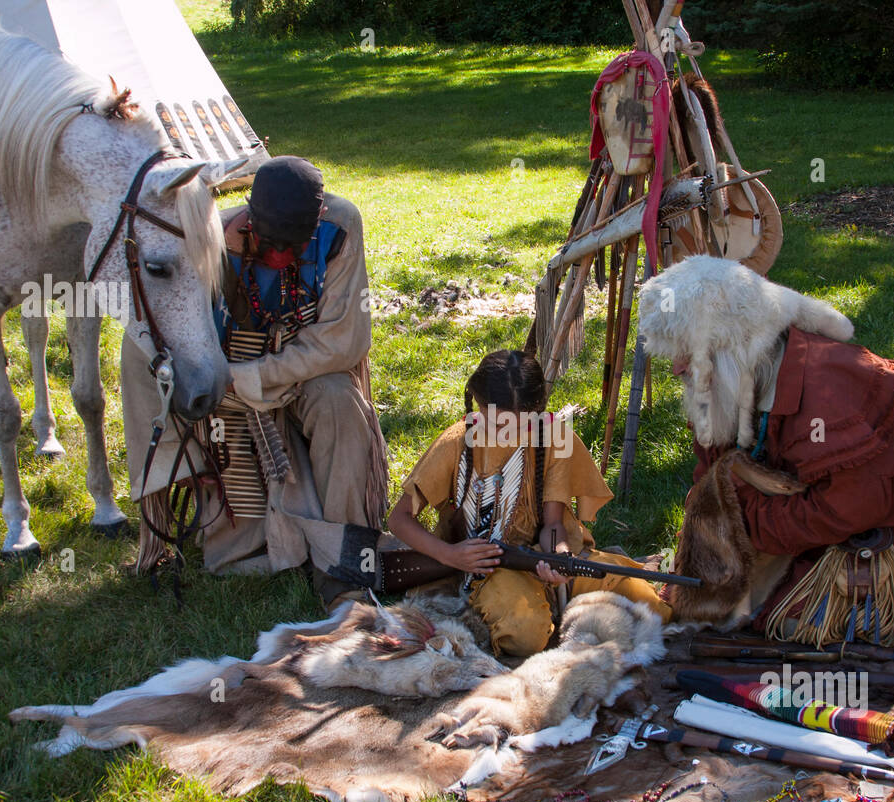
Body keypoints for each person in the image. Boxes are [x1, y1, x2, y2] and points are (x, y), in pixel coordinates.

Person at [638, 255, 894, 640]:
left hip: (871, 534)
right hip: (790, 527)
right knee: (706, 599)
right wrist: (719, 514)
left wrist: (742, 523)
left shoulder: (831, 393)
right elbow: (710, 469)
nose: (678, 368)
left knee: (793, 620)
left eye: (690, 353)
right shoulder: (733, 382)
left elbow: (848, 508)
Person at [122, 156, 387, 609]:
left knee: (340, 400)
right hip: (228, 399)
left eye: (295, 246)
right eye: (270, 245)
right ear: (248, 219)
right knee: (233, 555)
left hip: (299, 379)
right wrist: (221, 385)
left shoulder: (340, 226)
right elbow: (154, 339)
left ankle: (343, 559)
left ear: (317, 219)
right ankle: (270, 540)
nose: (282, 257)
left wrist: (253, 376)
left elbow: (344, 340)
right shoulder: (206, 244)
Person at [386, 349, 672, 657]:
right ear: (479, 405)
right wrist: (451, 556)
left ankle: (564, 598)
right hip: (488, 568)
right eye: (497, 424)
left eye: (521, 425)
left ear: (538, 410)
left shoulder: (555, 437)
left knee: (652, 608)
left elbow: (552, 524)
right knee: (527, 635)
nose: (509, 433)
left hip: (544, 558)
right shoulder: (458, 442)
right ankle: (535, 608)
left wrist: (560, 556)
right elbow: (399, 518)